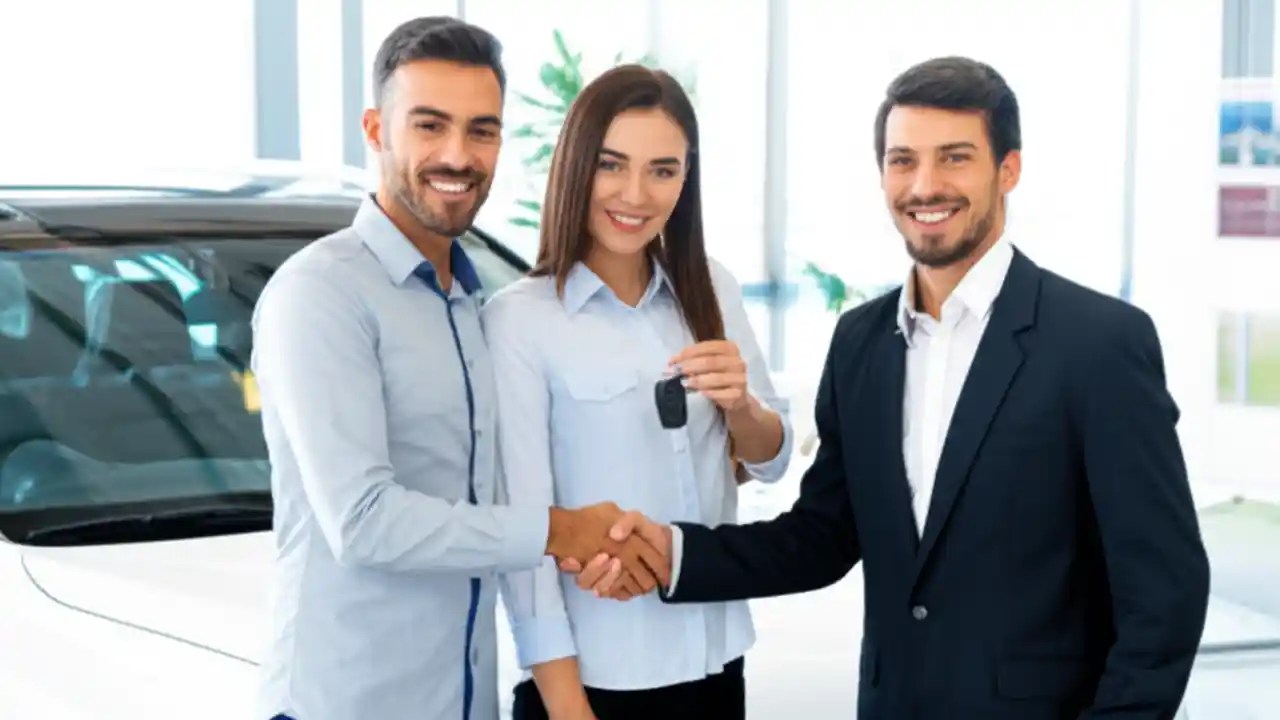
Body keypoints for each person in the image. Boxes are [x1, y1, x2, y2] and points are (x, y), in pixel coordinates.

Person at [573, 56, 1212, 719]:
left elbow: (1166, 588)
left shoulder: (1099, 344)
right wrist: (672, 552)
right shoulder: (861, 343)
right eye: (903, 160)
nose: (925, 185)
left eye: (955, 158)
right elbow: (823, 537)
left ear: (1009, 170)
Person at [250, 18, 666, 720]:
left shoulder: (476, 306)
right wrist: (559, 531)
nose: (458, 155)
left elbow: (504, 489)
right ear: (376, 130)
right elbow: (365, 522)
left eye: (482, 130)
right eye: (430, 125)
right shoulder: (320, 293)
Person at [482, 65, 793, 720]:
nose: (635, 193)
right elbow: (524, 538)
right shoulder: (520, 320)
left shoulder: (711, 287)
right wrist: (569, 709)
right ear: (575, 166)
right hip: (595, 684)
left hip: (717, 664)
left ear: (686, 178)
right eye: (611, 165)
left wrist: (741, 406)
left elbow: (771, 461)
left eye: (662, 170)